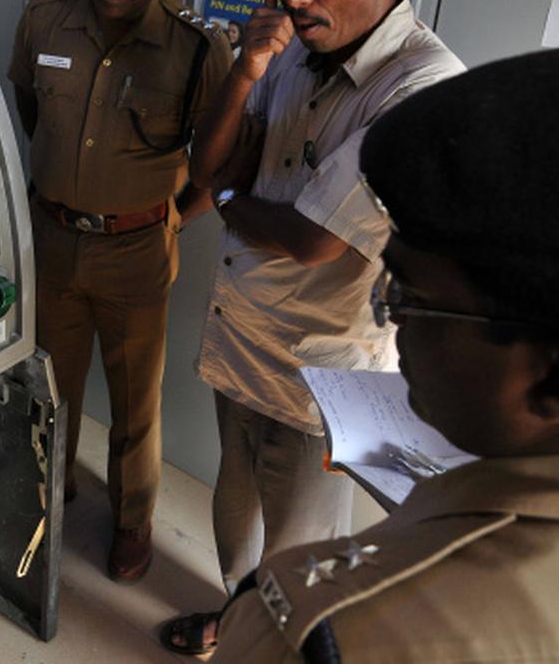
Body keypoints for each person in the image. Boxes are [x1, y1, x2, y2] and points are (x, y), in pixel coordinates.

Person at [160, 0, 464, 653]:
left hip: (320, 370)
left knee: (306, 553)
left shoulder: (418, 85)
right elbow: (209, 165)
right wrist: (247, 70)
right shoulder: (293, 46)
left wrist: (227, 202)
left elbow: (310, 237)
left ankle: (281, 648)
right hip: (243, 334)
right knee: (235, 500)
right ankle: (235, 619)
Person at [211, 47, 559, 662]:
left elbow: (306, 234)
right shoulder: (284, 62)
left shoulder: (317, 632)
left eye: (411, 296)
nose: (393, 319)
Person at [8, 0, 232, 581]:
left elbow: (220, 162)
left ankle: (133, 523)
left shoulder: (196, 49)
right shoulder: (44, 19)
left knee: (137, 403)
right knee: (49, 386)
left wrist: (168, 218)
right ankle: (52, 490)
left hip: (138, 251)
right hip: (50, 240)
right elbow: (30, 109)